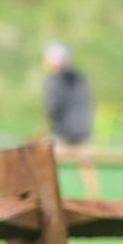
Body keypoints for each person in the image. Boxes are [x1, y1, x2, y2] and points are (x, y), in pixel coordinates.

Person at [41, 41, 99, 197]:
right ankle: (94, 199)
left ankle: (49, 198)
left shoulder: (55, 80)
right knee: (87, 168)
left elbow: (52, 108)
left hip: (64, 135)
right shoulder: (80, 77)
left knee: (46, 164)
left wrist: (45, 127)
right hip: (83, 131)